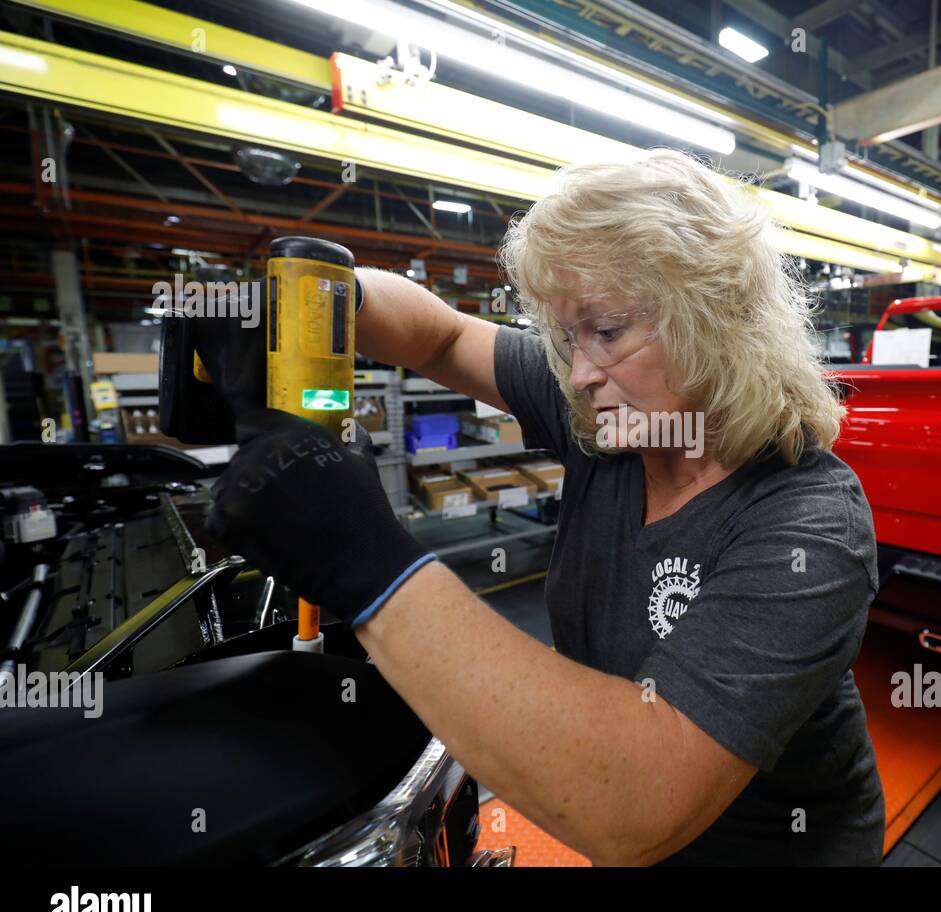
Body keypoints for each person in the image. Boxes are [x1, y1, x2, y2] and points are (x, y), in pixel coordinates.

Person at [207, 149, 886, 865]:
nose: (581, 371)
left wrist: (368, 565)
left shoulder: (807, 521)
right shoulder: (613, 422)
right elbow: (441, 335)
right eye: (566, 338)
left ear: (715, 318)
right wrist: (322, 302)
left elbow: (639, 798)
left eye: (608, 329)